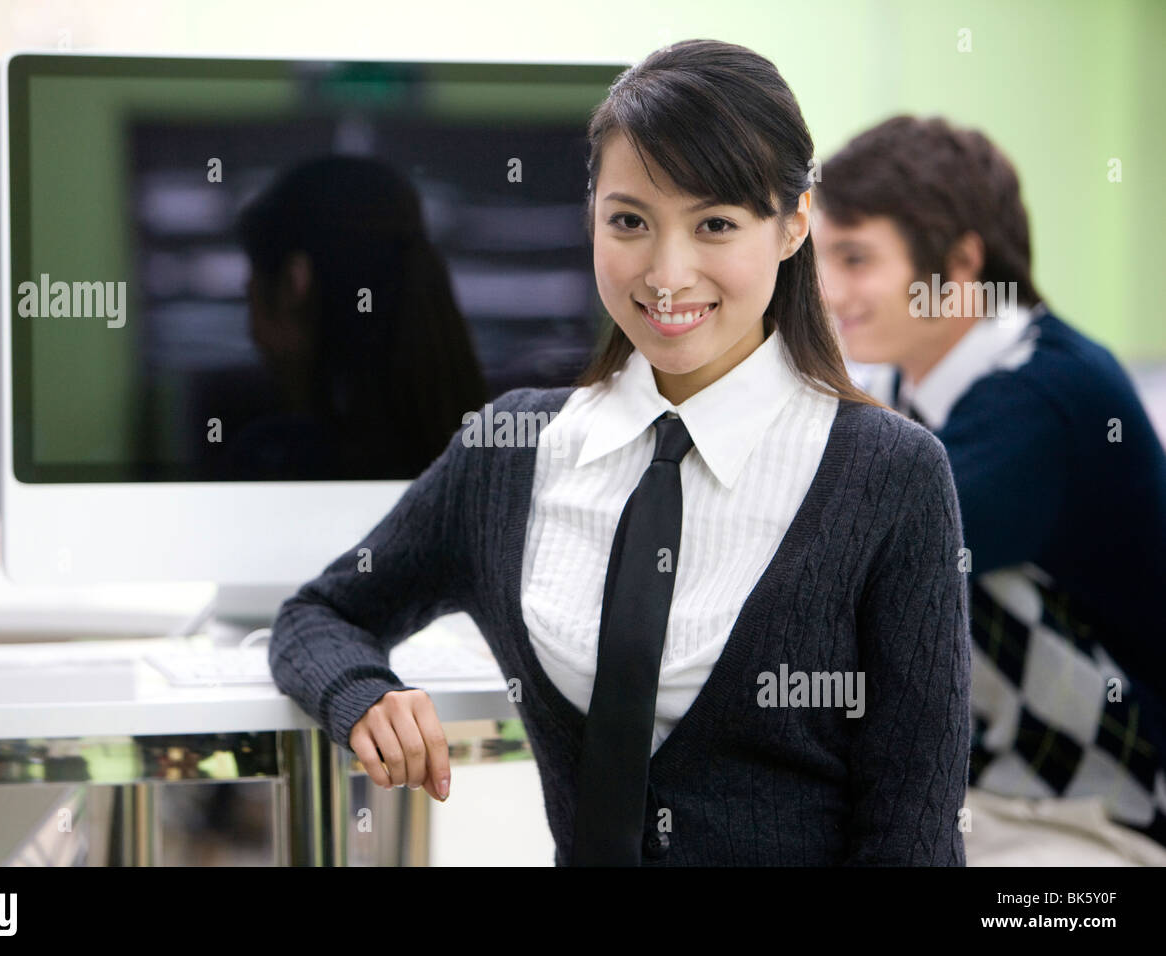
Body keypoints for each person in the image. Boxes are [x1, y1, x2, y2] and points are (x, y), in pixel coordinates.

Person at [268, 40, 972, 866]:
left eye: (715, 224)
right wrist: (363, 695)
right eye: (630, 221)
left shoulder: (890, 474)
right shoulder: (510, 453)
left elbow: (914, 838)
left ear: (792, 226)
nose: (667, 275)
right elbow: (319, 614)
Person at [813, 115, 1166, 857]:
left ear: (960, 264)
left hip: (1108, 812)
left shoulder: (1044, 393)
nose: (829, 289)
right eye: (821, 258)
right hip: (994, 791)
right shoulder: (901, 381)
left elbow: (845, 558)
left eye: (855, 258)